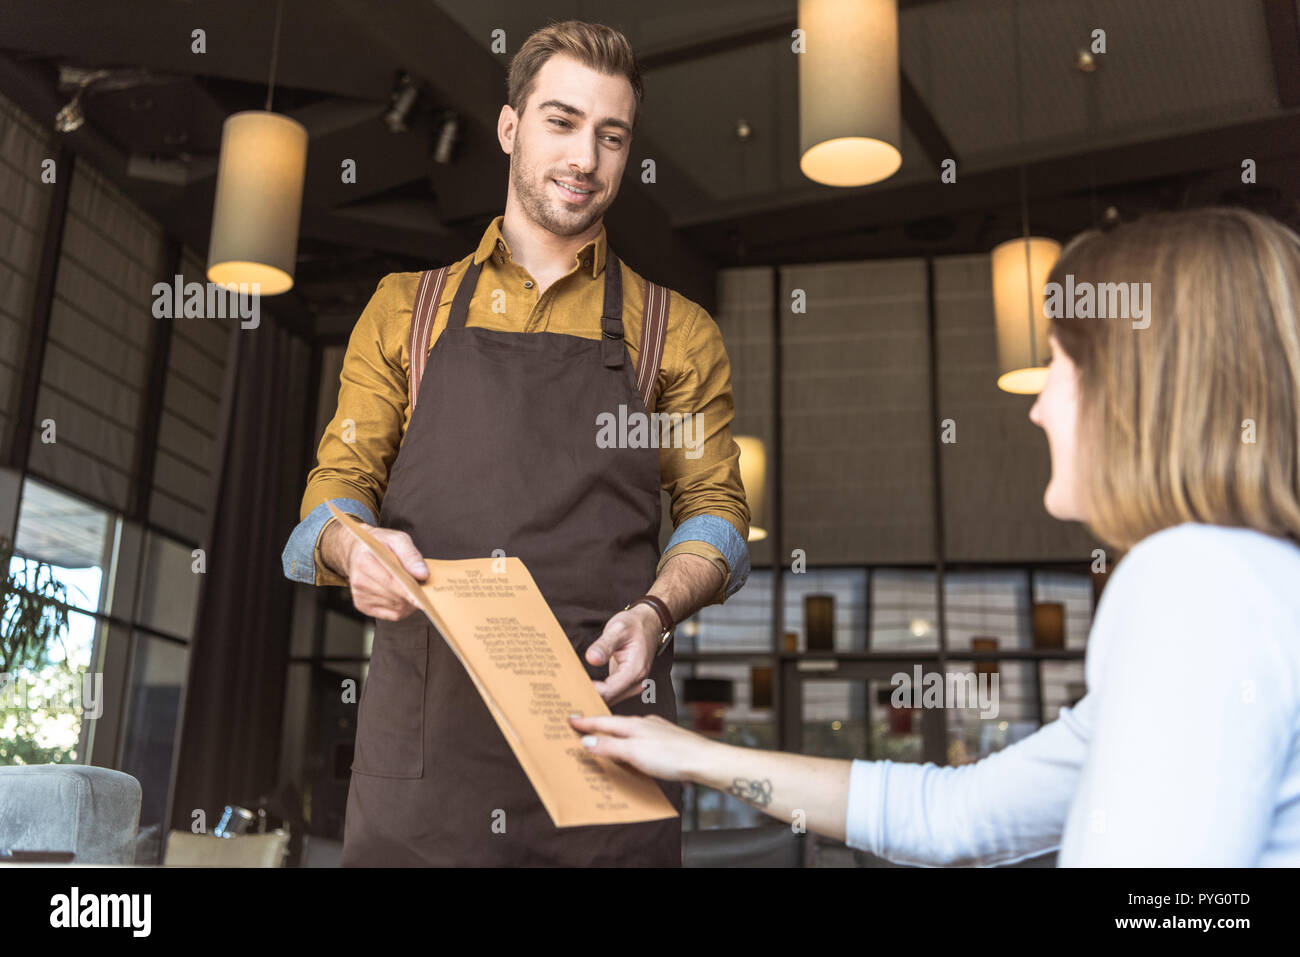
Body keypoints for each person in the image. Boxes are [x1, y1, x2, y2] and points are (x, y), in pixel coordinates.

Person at [573, 207, 1300, 866]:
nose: (1039, 405)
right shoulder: (1246, 580)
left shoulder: (1193, 578)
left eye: (1060, 364)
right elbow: (955, 814)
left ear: (1142, 384)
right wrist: (691, 755)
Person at [281, 21, 751, 866]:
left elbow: (717, 516)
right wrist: (353, 548)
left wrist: (655, 612)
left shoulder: (675, 333)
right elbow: (328, 500)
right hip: (423, 763)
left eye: (611, 136)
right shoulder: (404, 310)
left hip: (606, 745)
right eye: (562, 122)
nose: (586, 158)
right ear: (509, 128)